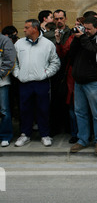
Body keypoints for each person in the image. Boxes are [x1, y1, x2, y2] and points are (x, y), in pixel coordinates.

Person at [13, 19, 60, 147]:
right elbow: (14, 62)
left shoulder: (47, 44)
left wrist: (46, 74)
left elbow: (55, 62)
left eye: (26, 27)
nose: (24, 30)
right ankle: (25, 135)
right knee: (24, 110)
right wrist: (17, 74)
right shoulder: (19, 43)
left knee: (43, 109)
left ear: (35, 28)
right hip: (24, 83)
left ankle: (45, 135)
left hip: (41, 83)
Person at [69, 15, 97, 156]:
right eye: (84, 28)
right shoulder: (82, 38)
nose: (86, 31)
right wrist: (76, 38)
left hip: (95, 83)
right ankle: (82, 140)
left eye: (88, 29)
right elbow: (71, 54)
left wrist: (83, 38)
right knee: (80, 113)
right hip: (79, 82)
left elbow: (95, 52)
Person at [0, 33, 16, 147]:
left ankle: (5, 136)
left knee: (4, 110)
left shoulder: (4, 40)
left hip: (2, 82)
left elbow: (10, 61)